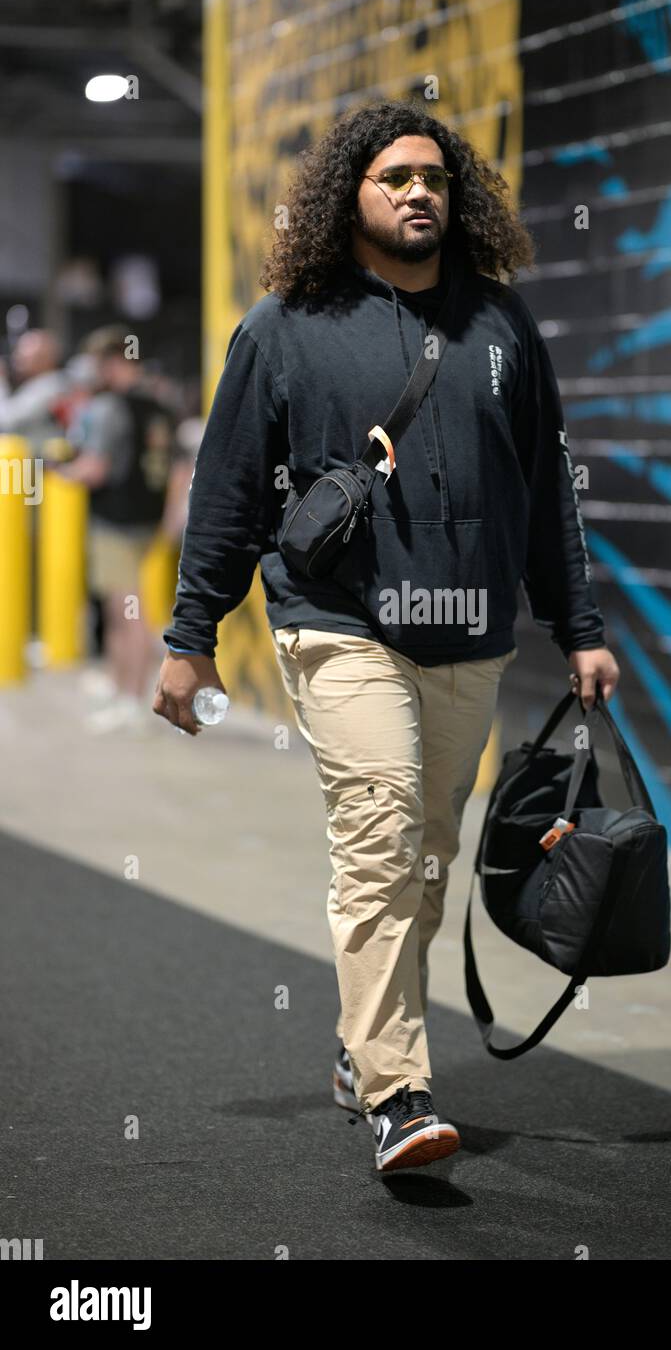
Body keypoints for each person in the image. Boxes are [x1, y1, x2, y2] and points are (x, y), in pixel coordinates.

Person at [153, 99, 620, 1173]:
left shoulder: (500, 324)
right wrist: (190, 637)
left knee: (425, 858)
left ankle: (352, 1043)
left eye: (434, 179)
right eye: (393, 177)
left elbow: (544, 485)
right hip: (341, 627)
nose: (419, 193)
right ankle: (398, 1092)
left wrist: (578, 624)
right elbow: (227, 491)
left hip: (470, 635)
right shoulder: (284, 328)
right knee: (380, 835)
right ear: (347, 199)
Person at [61, 326, 176, 732]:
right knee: (121, 609)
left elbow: (95, 469)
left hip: (115, 523)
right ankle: (116, 684)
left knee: (127, 614)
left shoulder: (111, 407)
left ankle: (132, 699)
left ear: (113, 362)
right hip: (148, 521)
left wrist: (56, 472)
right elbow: (178, 467)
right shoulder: (160, 404)